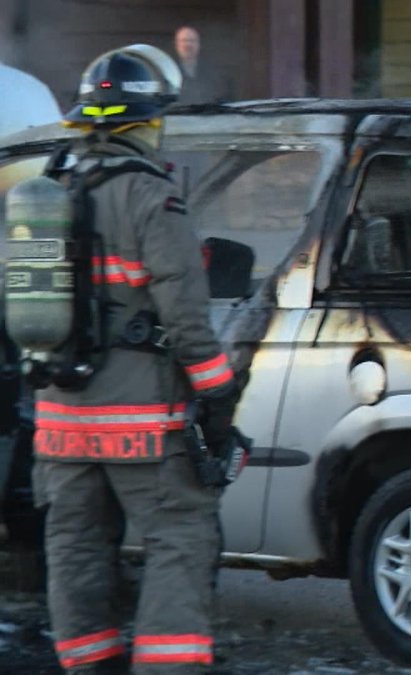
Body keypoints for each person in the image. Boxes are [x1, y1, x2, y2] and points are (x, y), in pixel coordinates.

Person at [30, 44, 239, 673]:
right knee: (179, 536)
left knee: (75, 546)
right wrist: (218, 391)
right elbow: (183, 309)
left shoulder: (45, 195)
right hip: (140, 423)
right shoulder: (152, 197)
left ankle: (89, 663)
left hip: (59, 421)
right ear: (146, 122)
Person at [173, 25, 230, 105]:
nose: (188, 44)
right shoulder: (170, 71)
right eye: (184, 40)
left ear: (199, 44)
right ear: (177, 45)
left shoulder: (214, 72)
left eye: (192, 41)